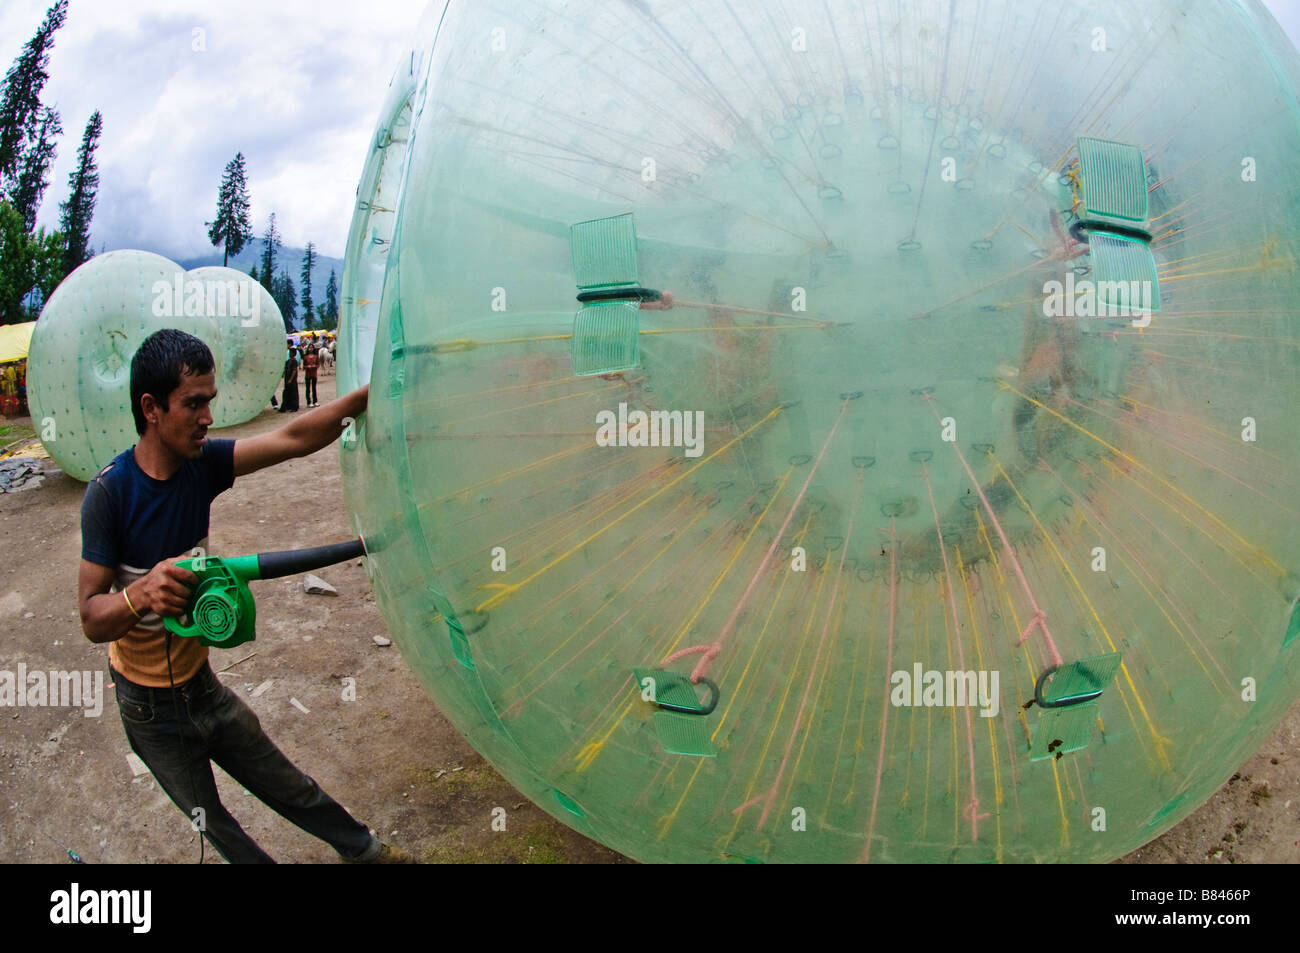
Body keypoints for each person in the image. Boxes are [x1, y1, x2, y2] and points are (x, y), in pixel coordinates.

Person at [78, 329, 413, 864]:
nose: (208, 418)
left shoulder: (201, 465)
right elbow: (92, 618)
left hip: (202, 686)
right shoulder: (110, 493)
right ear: (151, 408)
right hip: (147, 709)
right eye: (194, 403)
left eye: (209, 401)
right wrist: (141, 593)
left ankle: (367, 851)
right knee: (221, 830)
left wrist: (372, 395)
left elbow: (294, 438)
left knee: (287, 784)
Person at [279, 346, 300, 413]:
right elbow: (285, 370)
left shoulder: (294, 362)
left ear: (294, 354)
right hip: (287, 379)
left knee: (293, 393)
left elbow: (294, 371)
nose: (290, 354)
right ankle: (286, 406)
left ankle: (294, 407)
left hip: (292, 380)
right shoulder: (288, 361)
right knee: (286, 393)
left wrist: (290, 379)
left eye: (291, 352)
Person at [302, 342, 320, 407]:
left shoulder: (316, 356)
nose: (311, 349)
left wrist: (315, 366)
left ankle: (315, 401)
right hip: (308, 374)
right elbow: (303, 366)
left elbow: (318, 365)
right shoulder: (305, 357)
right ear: (308, 349)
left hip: (314, 374)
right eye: (310, 347)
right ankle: (309, 402)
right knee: (308, 389)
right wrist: (307, 367)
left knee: (314, 388)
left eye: (312, 347)